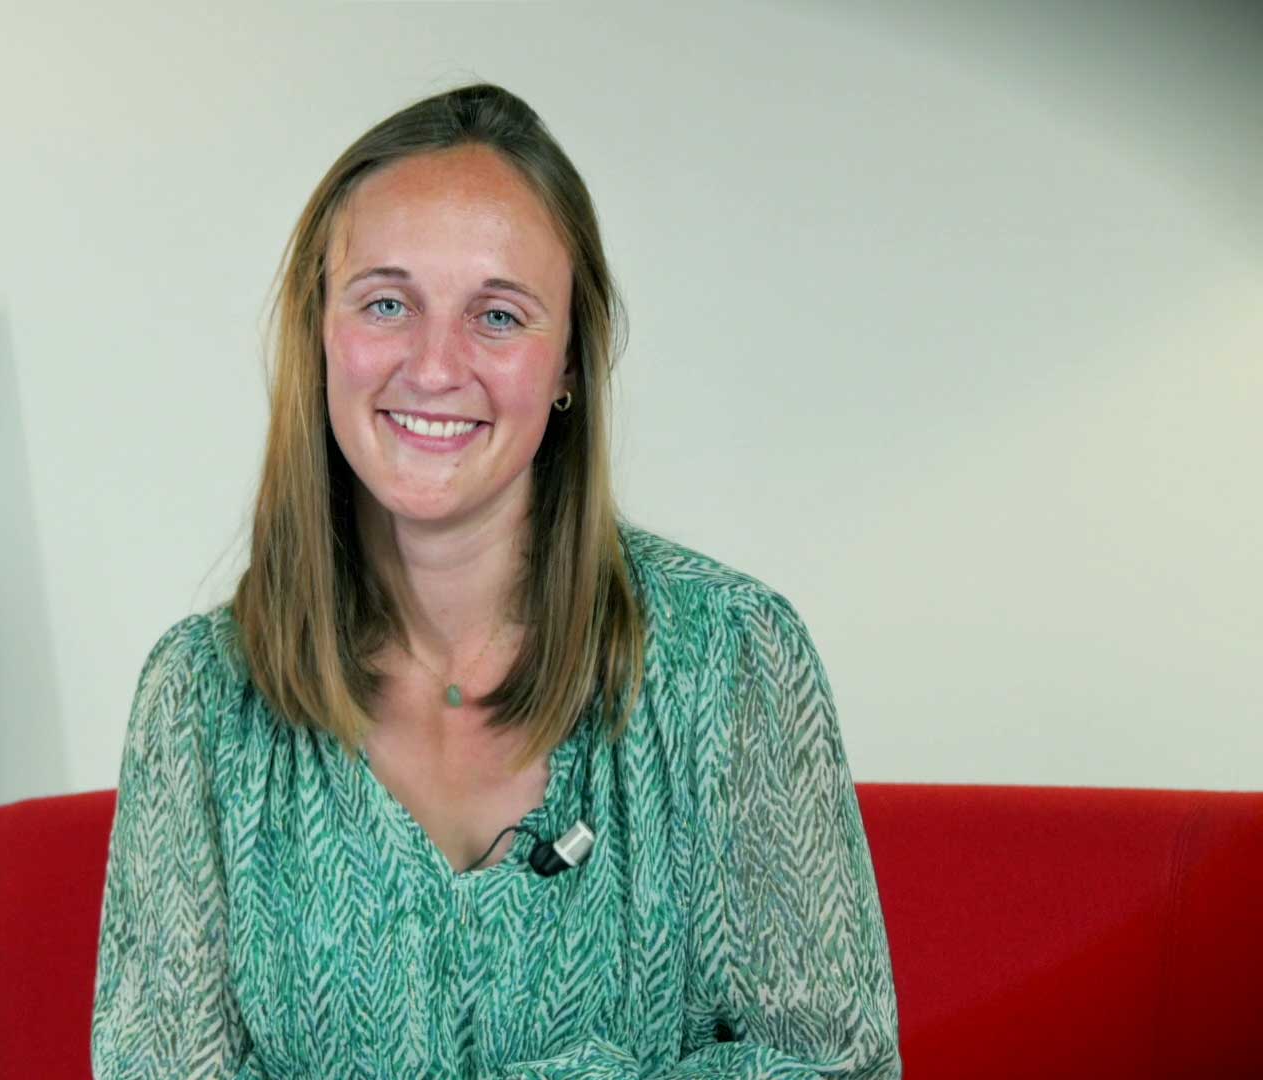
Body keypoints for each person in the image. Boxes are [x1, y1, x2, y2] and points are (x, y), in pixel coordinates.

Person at [90, 83, 901, 1079]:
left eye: (499, 315)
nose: (435, 366)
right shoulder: (200, 700)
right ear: (319, 332)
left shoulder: (733, 656)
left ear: (568, 358)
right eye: (387, 302)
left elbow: (838, 1067)